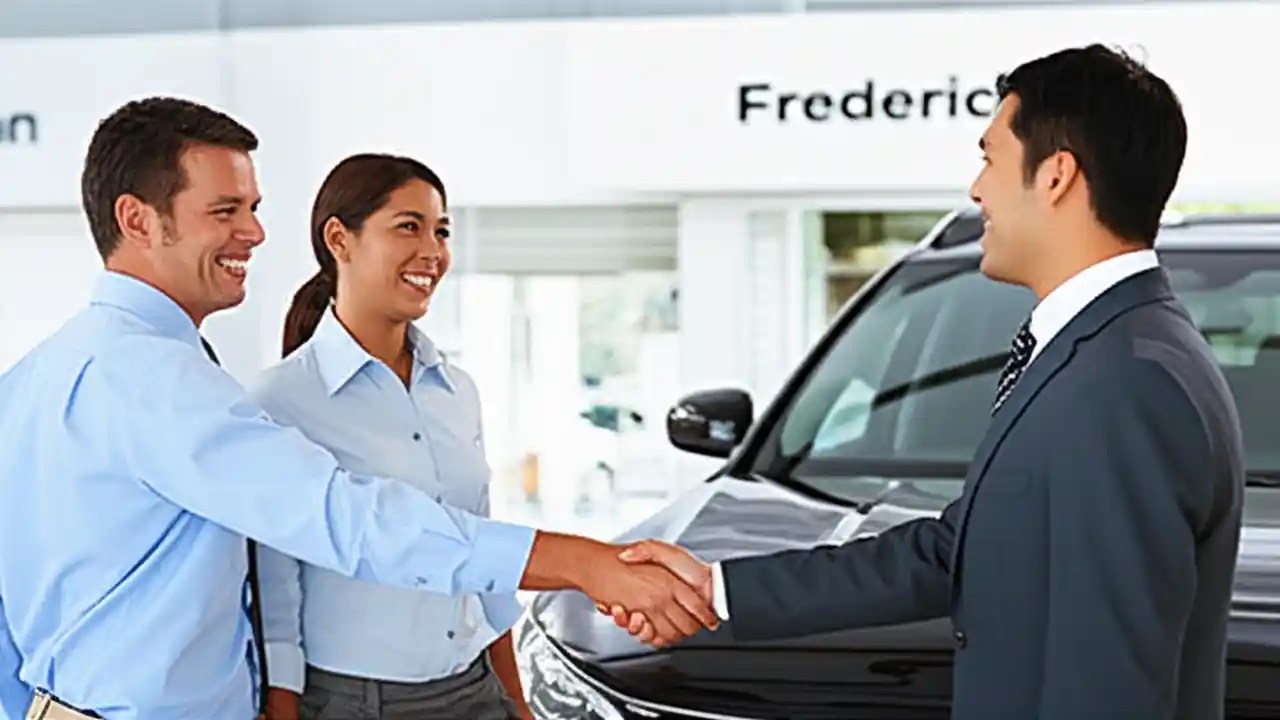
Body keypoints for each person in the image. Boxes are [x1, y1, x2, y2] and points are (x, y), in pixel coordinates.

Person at [0, 97, 716, 720]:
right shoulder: (159, 381)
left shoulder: (41, 372)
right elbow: (347, 519)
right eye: (225, 212)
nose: (254, 233)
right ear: (137, 219)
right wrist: (586, 563)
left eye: (252, 209)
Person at [610, 44, 1245, 719]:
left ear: (1056, 175)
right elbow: (958, 551)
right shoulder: (1101, 351)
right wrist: (716, 588)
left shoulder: (1126, 381)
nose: (977, 190)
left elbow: (1112, 681)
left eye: (989, 157)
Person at [248, 154, 530, 720]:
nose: (434, 250)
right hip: (358, 704)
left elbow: (483, 560)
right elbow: (278, 596)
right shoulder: (279, 400)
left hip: (475, 689)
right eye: (409, 226)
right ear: (339, 239)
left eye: (441, 230)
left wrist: (517, 704)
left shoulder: (458, 391)